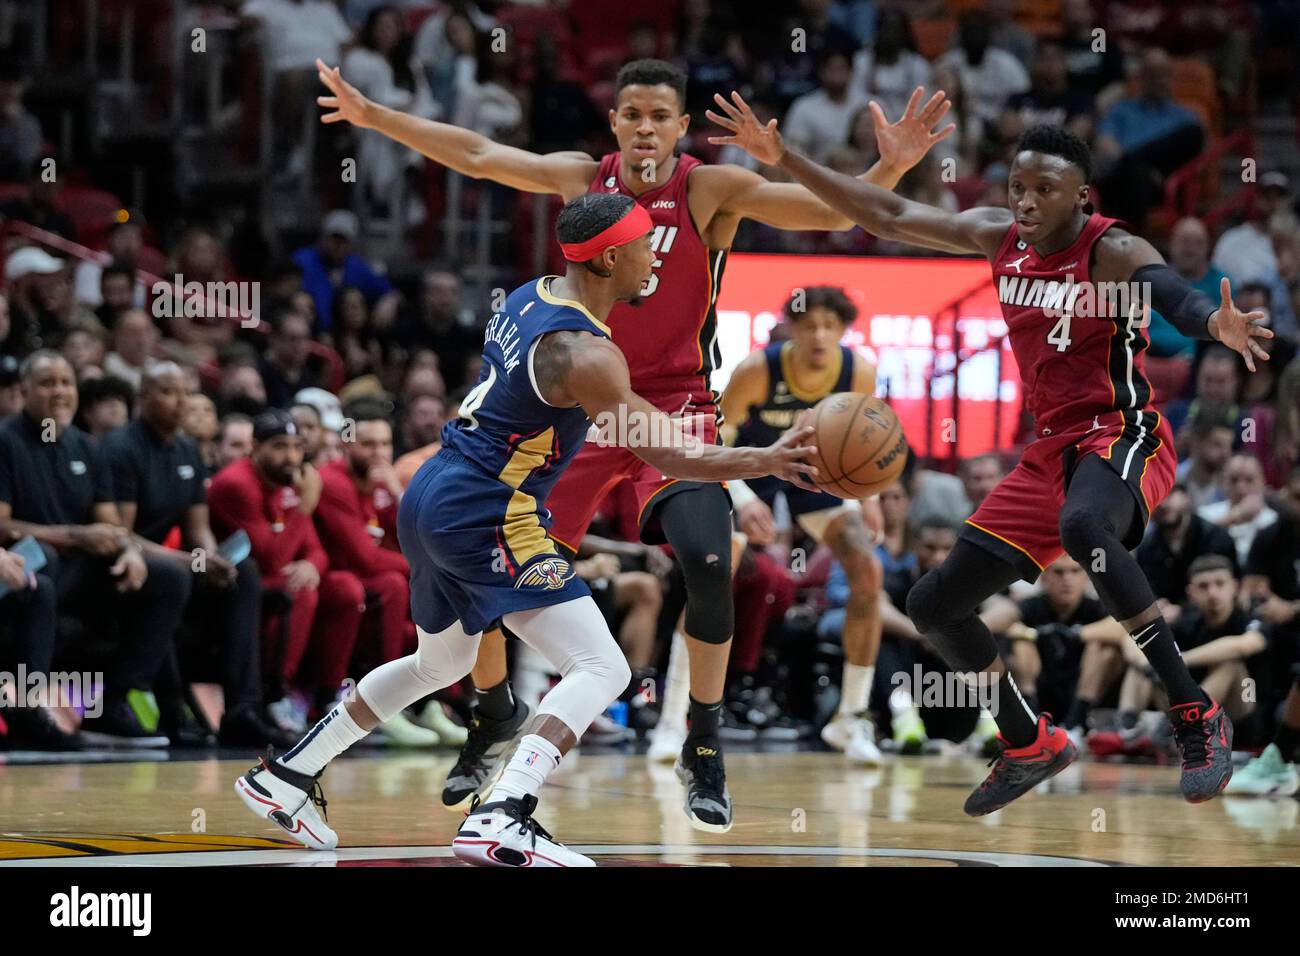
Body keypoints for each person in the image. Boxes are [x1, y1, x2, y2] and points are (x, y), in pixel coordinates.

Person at [314, 55, 950, 830]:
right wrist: (375, 115)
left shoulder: (708, 188)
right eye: (632, 114)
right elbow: (478, 154)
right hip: (583, 410)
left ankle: (702, 745)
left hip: (675, 406)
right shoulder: (584, 180)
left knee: (710, 562)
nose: (644, 128)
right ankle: (489, 712)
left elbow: (823, 214)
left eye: (660, 116)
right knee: (486, 562)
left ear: (682, 128)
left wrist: (888, 164)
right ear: (614, 124)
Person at [708, 100, 1273, 812]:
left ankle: (1195, 713)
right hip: (1050, 453)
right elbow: (884, 215)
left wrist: (1210, 322)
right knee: (933, 604)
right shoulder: (996, 239)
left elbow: (1174, 296)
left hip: (1121, 433)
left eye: (1045, 190)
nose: (1027, 202)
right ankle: (1028, 739)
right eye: (1018, 187)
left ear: (1081, 196)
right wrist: (782, 155)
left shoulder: (1112, 249)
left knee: (1083, 527)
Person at [234, 193, 818, 865]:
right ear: (606, 258)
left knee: (441, 661)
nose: (654, 255)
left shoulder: (529, 293)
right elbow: (666, 452)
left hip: (436, 490)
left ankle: (286, 774)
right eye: (641, 244)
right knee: (603, 666)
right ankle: (505, 812)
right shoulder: (588, 355)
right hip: (488, 506)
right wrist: (766, 459)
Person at [720, 285, 885, 763]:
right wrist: (745, 497)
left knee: (866, 570)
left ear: (843, 330)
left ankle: (851, 720)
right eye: (809, 324)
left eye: (829, 326)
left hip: (811, 476)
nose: (819, 335)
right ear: (789, 328)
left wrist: (868, 496)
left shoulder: (858, 371)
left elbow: (864, 440)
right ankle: (681, 716)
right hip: (749, 464)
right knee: (715, 573)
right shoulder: (757, 370)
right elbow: (715, 439)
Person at [0, 351, 191, 746]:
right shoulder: (5, 441)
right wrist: (74, 535)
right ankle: (27, 711)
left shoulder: (86, 447)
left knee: (168, 576)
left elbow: (110, 524)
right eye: (47, 383)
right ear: (23, 391)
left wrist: (129, 551)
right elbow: (2, 525)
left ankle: (114, 701)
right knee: (44, 565)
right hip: (30, 568)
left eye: (66, 383)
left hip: (80, 573)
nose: (59, 392)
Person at [208, 409, 365, 732]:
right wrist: (305, 507)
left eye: (297, 446)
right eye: (280, 446)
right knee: (300, 591)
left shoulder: (289, 481)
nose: (291, 456)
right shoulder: (236, 484)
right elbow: (270, 558)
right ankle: (277, 694)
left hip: (277, 577)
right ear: (255, 446)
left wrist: (310, 564)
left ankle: (327, 694)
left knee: (346, 588)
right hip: (235, 585)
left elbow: (315, 550)